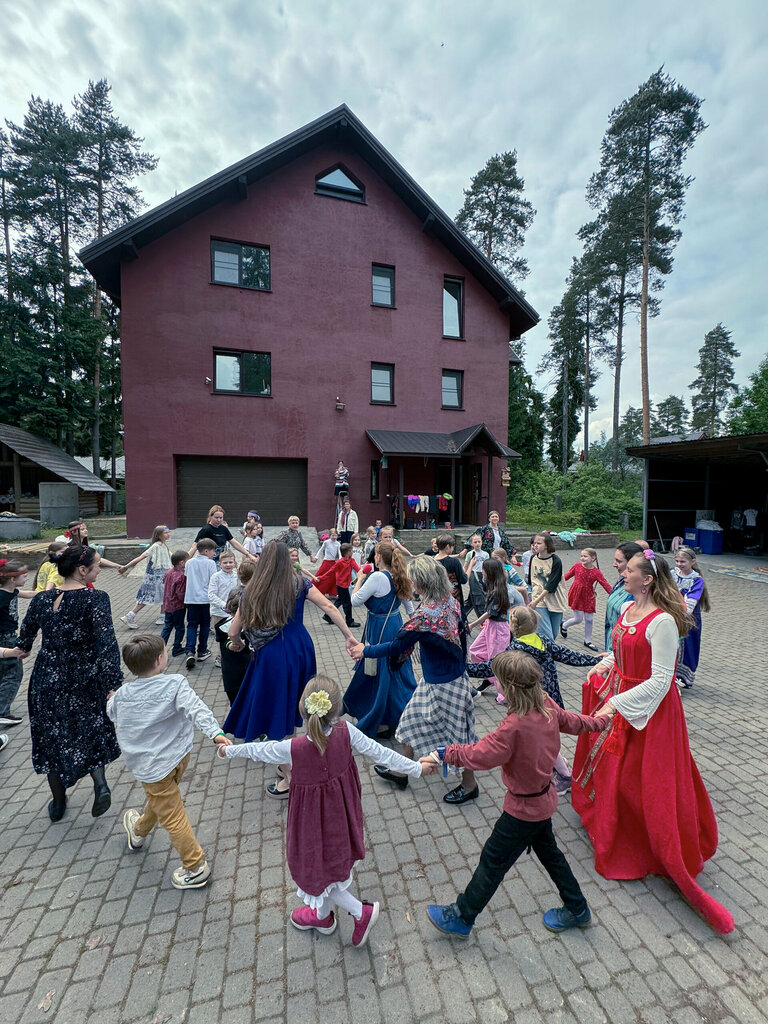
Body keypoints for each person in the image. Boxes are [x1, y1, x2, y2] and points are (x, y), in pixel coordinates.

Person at [572, 550, 734, 934]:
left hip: (653, 714)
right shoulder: (629, 607)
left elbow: (661, 682)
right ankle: (623, 829)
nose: (622, 573)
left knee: (647, 781)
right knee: (621, 774)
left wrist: (614, 703)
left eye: (628, 569)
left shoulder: (662, 622)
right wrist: (606, 664)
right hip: (626, 699)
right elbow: (623, 653)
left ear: (647, 579)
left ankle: (651, 844)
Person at [218, 675, 423, 945]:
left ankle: (361, 912)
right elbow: (382, 753)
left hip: (311, 823)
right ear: (336, 711)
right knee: (334, 863)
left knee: (315, 868)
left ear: (303, 709)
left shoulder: (292, 748)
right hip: (343, 813)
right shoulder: (347, 732)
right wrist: (417, 768)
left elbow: (259, 751)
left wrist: (227, 752)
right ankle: (322, 917)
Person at [421, 650, 612, 938]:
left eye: (495, 679)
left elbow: (480, 754)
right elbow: (575, 722)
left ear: (508, 687)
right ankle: (578, 908)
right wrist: (599, 721)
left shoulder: (513, 726)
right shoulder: (545, 704)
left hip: (524, 810)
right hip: (542, 802)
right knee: (551, 856)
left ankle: (462, 915)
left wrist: (443, 754)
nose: (493, 682)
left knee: (493, 860)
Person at [223, 542, 356, 796]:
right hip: (300, 649)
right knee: (295, 704)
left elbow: (233, 631)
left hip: (271, 656)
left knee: (275, 710)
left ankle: (291, 776)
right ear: (287, 561)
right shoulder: (299, 583)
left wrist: (237, 644)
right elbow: (328, 606)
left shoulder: (251, 589)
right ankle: (293, 757)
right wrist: (349, 636)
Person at [350, 556, 478, 805]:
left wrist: (364, 650)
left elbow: (398, 645)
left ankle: (470, 785)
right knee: (409, 722)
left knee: (458, 738)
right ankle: (402, 772)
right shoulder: (448, 600)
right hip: (441, 679)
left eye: (413, 580)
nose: (411, 584)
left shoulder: (427, 614)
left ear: (422, 582)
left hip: (445, 684)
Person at [110, 634, 231, 890]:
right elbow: (196, 709)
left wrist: (113, 698)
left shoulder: (123, 694)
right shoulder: (175, 684)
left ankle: (195, 866)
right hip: (178, 758)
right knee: (165, 802)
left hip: (151, 767)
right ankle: (139, 831)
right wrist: (215, 733)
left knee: (172, 813)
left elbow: (111, 711)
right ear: (160, 659)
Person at [16, 545, 123, 821]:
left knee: (50, 735)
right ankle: (100, 786)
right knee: (92, 725)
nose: (100, 569)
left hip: (47, 677)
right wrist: (114, 683)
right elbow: (106, 644)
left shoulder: (42, 599)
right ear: (82, 570)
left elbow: (25, 641)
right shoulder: (96, 599)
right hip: (85, 675)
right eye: (97, 565)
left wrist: (17, 650)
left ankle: (58, 801)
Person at [469, 605, 602, 792]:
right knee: (548, 735)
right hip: (551, 698)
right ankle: (558, 767)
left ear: (513, 626)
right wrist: (595, 660)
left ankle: (564, 775)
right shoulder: (543, 639)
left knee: (543, 739)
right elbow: (568, 655)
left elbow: (492, 666)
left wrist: (463, 669)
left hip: (530, 701)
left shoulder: (516, 649)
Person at [344, 541, 417, 738]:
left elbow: (355, 600)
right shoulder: (399, 575)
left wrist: (359, 579)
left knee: (381, 669)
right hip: (395, 623)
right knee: (396, 667)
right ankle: (403, 711)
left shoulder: (376, 577)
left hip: (380, 628)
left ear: (378, 557)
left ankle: (383, 716)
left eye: (375, 554)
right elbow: (410, 608)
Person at [467, 558, 510, 697]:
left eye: (484, 569)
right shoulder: (492, 586)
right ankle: (490, 678)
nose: (482, 571)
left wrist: (473, 624)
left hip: (498, 629)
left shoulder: (499, 591)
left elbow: (490, 613)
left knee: (497, 660)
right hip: (490, 626)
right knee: (475, 650)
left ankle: (503, 694)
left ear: (490, 571)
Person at [215, 561, 256, 706]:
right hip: (245, 676)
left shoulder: (222, 625)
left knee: (237, 707)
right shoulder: (252, 628)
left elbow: (224, 640)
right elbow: (226, 641)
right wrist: (233, 644)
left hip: (232, 678)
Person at [0, 559, 34, 729]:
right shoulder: (1, 596)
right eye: (24, 575)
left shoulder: (12, 591)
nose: (27, 578)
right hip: (5, 638)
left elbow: (27, 594)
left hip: (8, 636)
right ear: (13, 579)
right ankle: (2, 712)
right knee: (13, 674)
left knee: (4, 674)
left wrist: (44, 593)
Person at [671, 546, 710, 689]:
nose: (679, 564)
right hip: (670, 613)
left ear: (692, 561)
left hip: (687, 618)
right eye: (677, 561)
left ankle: (682, 677)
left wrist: (679, 616)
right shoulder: (672, 573)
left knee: (688, 646)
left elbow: (690, 602)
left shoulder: (696, 580)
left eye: (683, 561)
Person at [120, 525, 173, 629]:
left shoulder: (164, 546)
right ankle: (129, 616)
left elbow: (172, 556)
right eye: (166, 532)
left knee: (165, 595)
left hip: (162, 576)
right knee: (146, 597)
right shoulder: (156, 546)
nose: (168, 534)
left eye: (168, 532)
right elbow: (141, 557)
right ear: (159, 535)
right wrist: (126, 567)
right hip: (153, 578)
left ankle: (162, 616)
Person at [560, 548, 612, 651]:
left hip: (589, 596)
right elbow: (566, 576)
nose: (582, 558)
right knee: (578, 619)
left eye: (585, 556)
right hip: (577, 594)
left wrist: (614, 594)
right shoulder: (577, 566)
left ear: (593, 558)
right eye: (581, 556)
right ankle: (564, 625)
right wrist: (556, 582)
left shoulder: (596, 572)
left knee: (589, 619)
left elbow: (605, 584)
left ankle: (587, 640)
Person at [527, 534, 568, 642]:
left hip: (555, 599)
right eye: (534, 543)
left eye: (539, 543)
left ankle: (547, 652)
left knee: (553, 634)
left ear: (546, 545)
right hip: (538, 600)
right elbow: (532, 580)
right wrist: (533, 598)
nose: (535, 545)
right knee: (546, 635)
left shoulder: (556, 561)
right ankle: (547, 657)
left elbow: (551, 585)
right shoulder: (533, 558)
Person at [603, 542, 644, 649]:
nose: (614, 564)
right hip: (611, 645)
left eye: (619, 561)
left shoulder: (638, 591)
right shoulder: (621, 581)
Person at [184, 539, 217, 669]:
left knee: (191, 625)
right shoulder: (210, 563)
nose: (214, 553)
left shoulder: (189, 562)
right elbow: (213, 580)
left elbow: (187, 576)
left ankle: (189, 651)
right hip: (205, 599)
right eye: (213, 550)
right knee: (204, 625)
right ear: (206, 551)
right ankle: (202, 650)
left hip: (191, 599)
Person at [190, 505, 258, 565]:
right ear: (210, 517)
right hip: (208, 562)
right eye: (216, 518)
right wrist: (186, 559)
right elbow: (195, 546)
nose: (219, 520)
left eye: (221, 518)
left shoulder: (223, 529)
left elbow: (234, 543)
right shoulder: (206, 529)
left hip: (220, 562)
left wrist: (248, 554)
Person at [315, 543, 361, 628]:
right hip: (341, 585)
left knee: (339, 601)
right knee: (347, 603)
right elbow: (331, 571)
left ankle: (327, 615)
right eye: (351, 550)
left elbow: (357, 569)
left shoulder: (351, 560)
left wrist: (362, 572)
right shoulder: (340, 562)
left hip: (346, 584)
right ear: (347, 552)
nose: (352, 552)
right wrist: (321, 577)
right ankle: (349, 621)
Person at [56, 520, 126, 572]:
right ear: (74, 532)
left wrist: (116, 566)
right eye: (82, 529)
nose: (86, 531)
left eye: (86, 529)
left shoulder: (83, 546)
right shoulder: (71, 548)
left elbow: (96, 558)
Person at [160, 550, 188, 657]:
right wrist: (186, 603)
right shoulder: (182, 575)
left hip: (167, 605)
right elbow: (180, 593)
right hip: (178, 606)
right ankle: (177, 647)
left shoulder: (168, 572)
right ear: (182, 563)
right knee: (180, 627)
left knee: (167, 626)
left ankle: (160, 648)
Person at [434, 533, 468, 620]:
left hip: (437, 598)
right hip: (453, 598)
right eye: (453, 546)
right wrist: (470, 566)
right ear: (448, 546)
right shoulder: (454, 562)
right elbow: (463, 579)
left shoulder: (431, 561)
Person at [463, 534, 489, 618]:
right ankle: (482, 616)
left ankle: (462, 613)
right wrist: (464, 575)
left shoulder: (485, 554)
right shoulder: (470, 554)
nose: (477, 543)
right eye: (475, 542)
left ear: (482, 543)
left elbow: (488, 566)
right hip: (473, 575)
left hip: (483, 575)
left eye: (479, 541)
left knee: (471, 598)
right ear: (471, 544)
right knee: (479, 596)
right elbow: (465, 565)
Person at [313, 529, 341, 597]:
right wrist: (316, 557)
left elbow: (340, 553)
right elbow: (321, 550)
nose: (334, 537)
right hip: (326, 562)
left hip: (333, 562)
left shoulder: (338, 543)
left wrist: (340, 560)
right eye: (332, 535)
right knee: (321, 574)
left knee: (333, 578)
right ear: (329, 535)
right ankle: (315, 589)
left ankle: (332, 592)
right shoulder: (326, 542)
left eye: (335, 535)